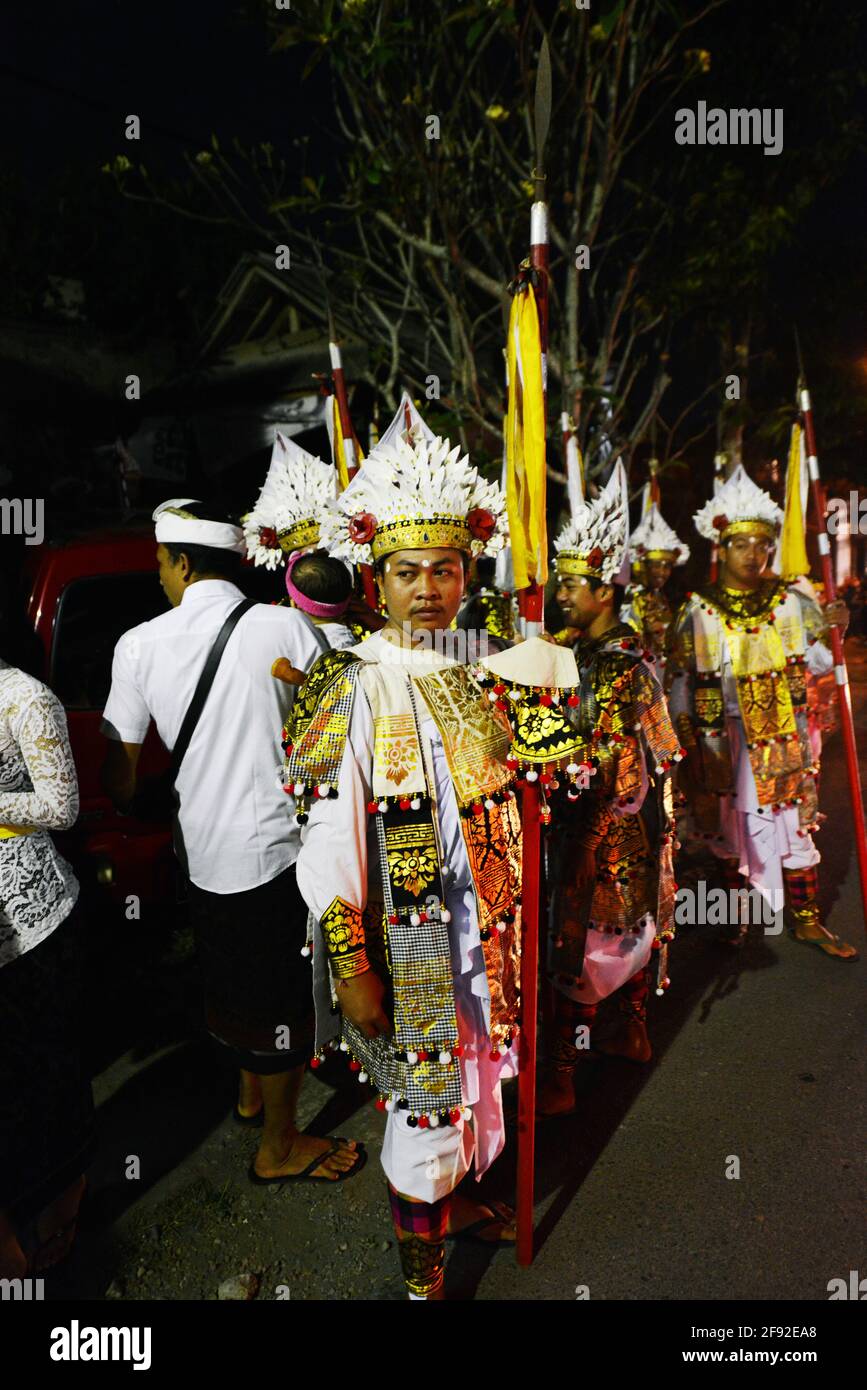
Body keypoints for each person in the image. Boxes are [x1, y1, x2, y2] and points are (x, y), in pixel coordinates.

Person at [286, 429, 522, 1299]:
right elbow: (324, 841)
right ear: (375, 579)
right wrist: (352, 967)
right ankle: (423, 1288)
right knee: (424, 1111)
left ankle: (454, 1201)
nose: (428, 589)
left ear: (466, 575)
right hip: (407, 943)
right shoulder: (348, 681)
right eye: (407, 571)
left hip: (486, 929)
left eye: (445, 570)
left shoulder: (482, 667)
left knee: (477, 1079)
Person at [101, 499, 364, 1185]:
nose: (159, 575)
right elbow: (334, 732)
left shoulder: (137, 645)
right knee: (277, 990)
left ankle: (261, 1116)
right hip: (275, 849)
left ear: (183, 563)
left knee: (231, 976)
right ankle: (279, 1139)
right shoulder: (289, 627)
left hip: (200, 851)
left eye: (161, 562)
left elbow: (121, 783)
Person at [666, 465, 857, 959]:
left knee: (792, 825)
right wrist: (683, 743)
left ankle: (808, 918)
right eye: (742, 545)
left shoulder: (790, 601)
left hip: (781, 738)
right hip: (722, 740)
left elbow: (816, 663)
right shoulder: (698, 609)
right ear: (721, 547)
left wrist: (835, 629)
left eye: (762, 545)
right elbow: (683, 683)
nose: (755, 555)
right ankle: (733, 920)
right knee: (730, 830)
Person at [537, 478, 683, 1115]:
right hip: (639, 823)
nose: (559, 594)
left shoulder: (613, 665)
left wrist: (581, 843)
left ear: (605, 591)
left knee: (584, 947)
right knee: (631, 933)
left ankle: (562, 1078)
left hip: (604, 823)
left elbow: (613, 766)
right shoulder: (605, 651)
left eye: (571, 584)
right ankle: (631, 1031)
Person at [0, 638, 93, 1278]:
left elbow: (62, 808)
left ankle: (67, 1201)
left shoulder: (24, 698)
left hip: (36, 921)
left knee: (48, 1069)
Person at [621, 502, 690, 658]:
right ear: (642, 566)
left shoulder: (658, 595)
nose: (662, 572)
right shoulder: (634, 596)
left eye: (667, 567)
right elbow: (631, 644)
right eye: (656, 566)